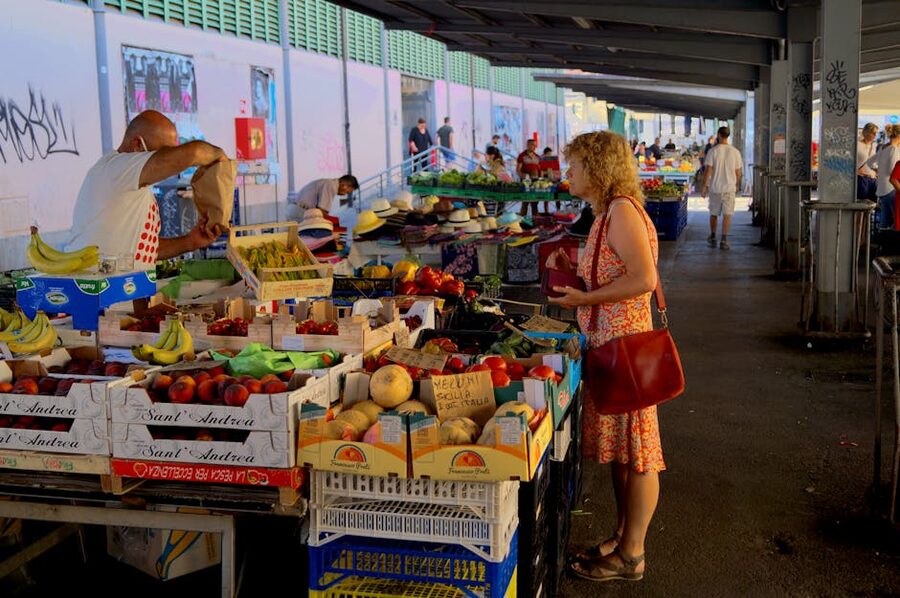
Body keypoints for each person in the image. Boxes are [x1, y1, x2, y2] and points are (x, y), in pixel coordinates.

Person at [547, 130, 664, 583]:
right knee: (623, 452)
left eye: (573, 165)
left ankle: (633, 554)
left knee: (639, 453)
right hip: (610, 347)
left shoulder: (620, 211)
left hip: (628, 348)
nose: (567, 173)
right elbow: (613, 269)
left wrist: (585, 301)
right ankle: (622, 536)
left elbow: (644, 279)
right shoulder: (605, 213)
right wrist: (575, 266)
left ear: (597, 168)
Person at [68, 110, 226, 264]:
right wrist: (219, 155)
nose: (169, 161)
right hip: (96, 288)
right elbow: (194, 153)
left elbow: (144, 249)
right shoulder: (115, 169)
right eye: (164, 153)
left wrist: (189, 242)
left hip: (129, 287)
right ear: (137, 144)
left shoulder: (136, 186)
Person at [702, 126, 743, 250]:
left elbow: (708, 170)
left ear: (719, 135)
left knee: (714, 213)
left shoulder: (713, 151)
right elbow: (738, 172)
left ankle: (713, 236)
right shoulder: (735, 152)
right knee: (727, 214)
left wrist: (704, 186)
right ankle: (724, 240)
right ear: (728, 135)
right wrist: (737, 185)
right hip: (729, 188)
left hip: (715, 188)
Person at [866, 124, 900, 230]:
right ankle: (889, 244)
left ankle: (882, 243)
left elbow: (870, 162)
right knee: (894, 219)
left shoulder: (883, 147)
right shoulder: (894, 150)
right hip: (891, 188)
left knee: (885, 219)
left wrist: (879, 170)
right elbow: (892, 171)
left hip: (882, 188)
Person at [291, 174, 359, 219]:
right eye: (346, 192)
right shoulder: (331, 186)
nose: (344, 194)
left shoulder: (329, 183)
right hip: (299, 211)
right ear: (344, 184)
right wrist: (334, 223)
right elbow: (322, 211)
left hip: (297, 210)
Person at [517, 139, 542, 216]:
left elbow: (540, 170)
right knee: (525, 202)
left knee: (535, 203)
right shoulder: (522, 156)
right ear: (528, 145)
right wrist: (524, 176)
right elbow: (518, 170)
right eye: (532, 145)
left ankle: (535, 221)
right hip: (526, 182)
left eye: (535, 145)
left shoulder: (538, 157)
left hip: (536, 182)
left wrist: (541, 178)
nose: (534, 147)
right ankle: (522, 221)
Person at [857, 123, 879, 201]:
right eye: (873, 133)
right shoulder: (857, 144)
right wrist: (855, 171)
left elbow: (874, 162)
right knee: (860, 206)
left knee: (871, 206)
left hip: (872, 179)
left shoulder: (874, 145)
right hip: (861, 179)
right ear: (866, 132)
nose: (875, 135)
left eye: (876, 133)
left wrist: (876, 171)